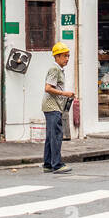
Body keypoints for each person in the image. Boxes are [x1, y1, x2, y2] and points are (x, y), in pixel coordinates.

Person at [42, 43, 75, 174]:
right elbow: (48, 88)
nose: (67, 59)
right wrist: (65, 93)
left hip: (53, 106)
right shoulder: (54, 69)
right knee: (56, 135)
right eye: (65, 56)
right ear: (57, 57)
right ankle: (57, 164)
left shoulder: (58, 70)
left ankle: (48, 164)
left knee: (51, 136)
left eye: (68, 56)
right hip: (52, 106)